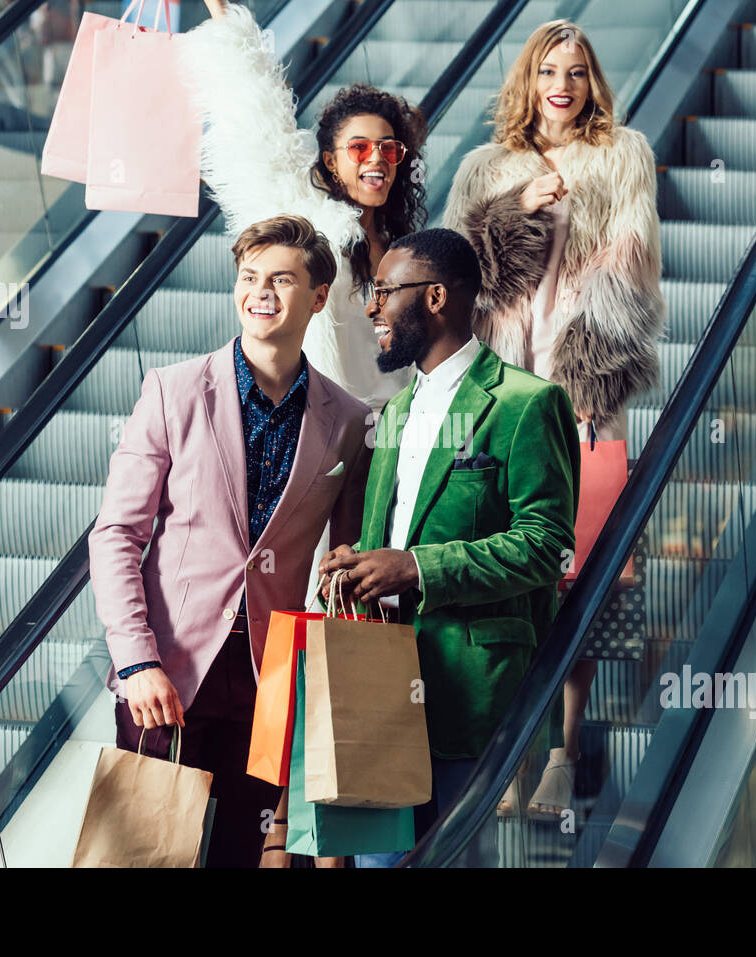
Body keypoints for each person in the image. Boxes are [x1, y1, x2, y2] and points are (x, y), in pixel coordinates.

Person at [87, 215, 372, 868]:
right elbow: (116, 537)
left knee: (241, 853)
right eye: (249, 277)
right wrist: (135, 661)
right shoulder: (173, 391)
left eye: (280, 278)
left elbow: (341, 565)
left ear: (319, 295)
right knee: (142, 855)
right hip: (167, 675)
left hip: (270, 680)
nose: (260, 292)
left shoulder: (350, 421)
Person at [442, 19, 666, 820]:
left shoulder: (621, 154)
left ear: (592, 80)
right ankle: (509, 751)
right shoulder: (485, 167)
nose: (562, 86)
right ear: (527, 82)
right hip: (501, 392)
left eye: (575, 71)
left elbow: (634, 261)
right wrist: (515, 209)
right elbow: (457, 273)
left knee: (578, 579)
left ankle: (564, 754)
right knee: (506, 574)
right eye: (547, 72)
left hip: (581, 394)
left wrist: (589, 373)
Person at [319, 228, 581, 867]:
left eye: (385, 291)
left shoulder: (526, 402)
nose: (373, 307)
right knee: (383, 862)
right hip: (381, 688)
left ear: (435, 297)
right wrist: (359, 561)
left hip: (472, 692)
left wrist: (415, 568)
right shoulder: (398, 408)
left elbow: (546, 546)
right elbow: (396, 533)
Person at [182, 0, 428, 412]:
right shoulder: (312, 226)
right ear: (331, 161)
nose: (376, 158)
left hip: (394, 434)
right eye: (359, 147)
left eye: (388, 148)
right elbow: (262, 125)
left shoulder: (403, 247)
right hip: (326, 430)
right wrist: (225, 16)